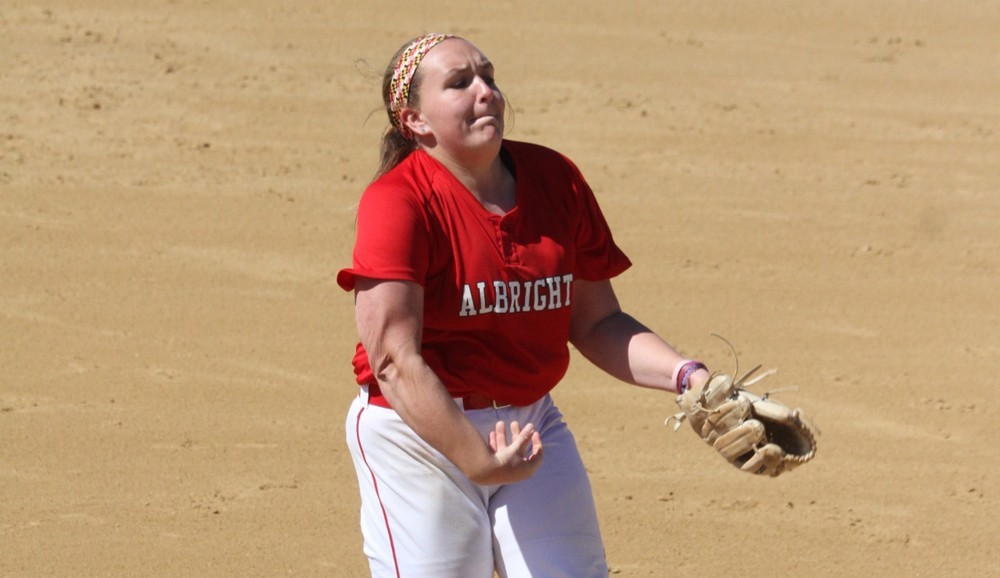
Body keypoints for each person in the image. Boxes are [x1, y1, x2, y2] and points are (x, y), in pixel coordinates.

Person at [337, 33, 711, 578]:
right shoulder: (398, 201)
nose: (486, 92)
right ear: (415, 120)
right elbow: (394, 360)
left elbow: (597, 320)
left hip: (531, 421)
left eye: (488, 76)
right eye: (460, 83)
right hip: (418, 434)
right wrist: (477, 460)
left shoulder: (555, 179)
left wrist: (688, 377)